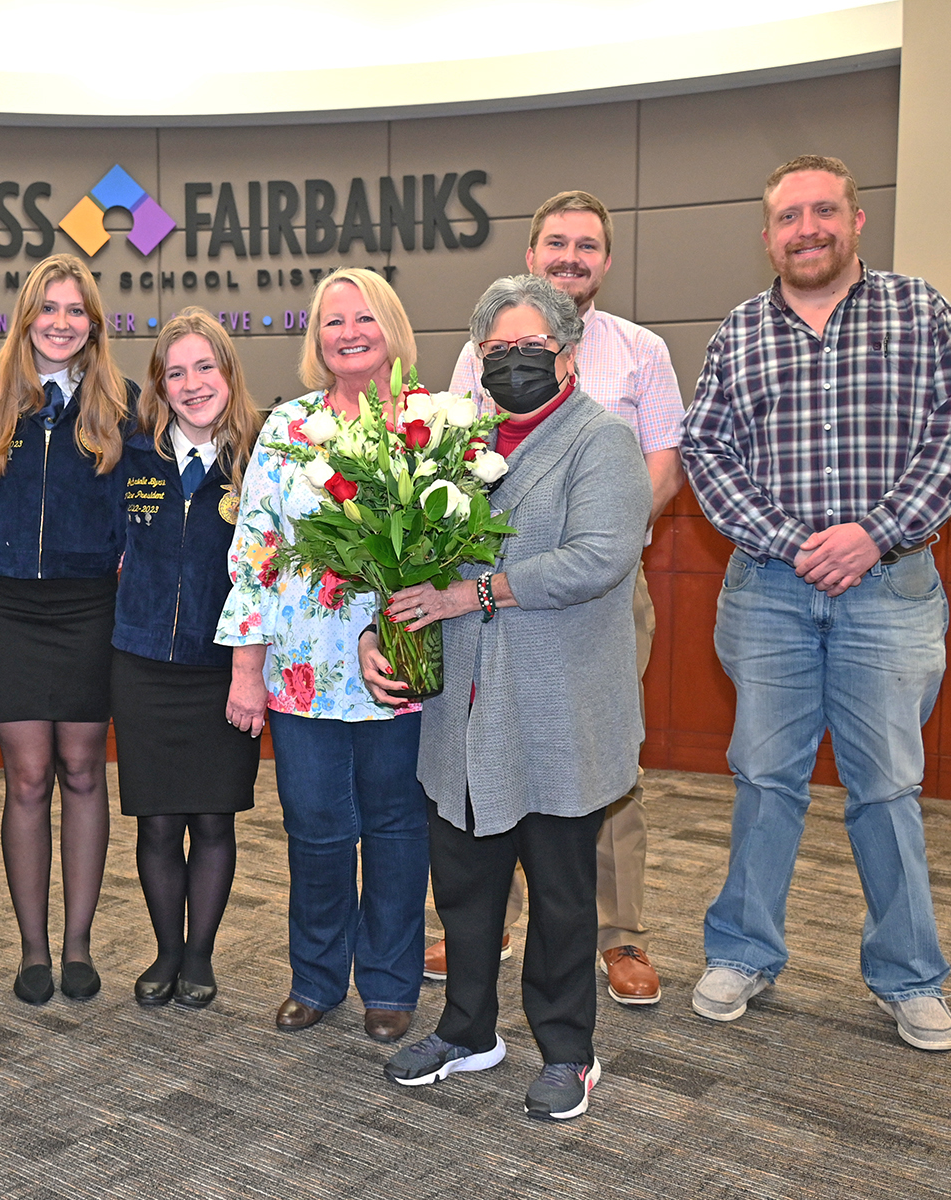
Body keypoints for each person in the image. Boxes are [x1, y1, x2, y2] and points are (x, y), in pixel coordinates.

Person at [682, 155, 951, 1052]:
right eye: (787, 217)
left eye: (823, 211)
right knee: (763, 780)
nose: (805, 228)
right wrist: (789, 541)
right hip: (768, 592)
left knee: (886, 788)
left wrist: (876, 531)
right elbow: (708, 452)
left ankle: (911, 976)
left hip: (890, 588)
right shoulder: (738, 332)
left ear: (855, 220)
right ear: (767, 235)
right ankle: (742, 951)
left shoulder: (921, 312)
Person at [363, 273, 649, 1121]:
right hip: (465, 716)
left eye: (531, 350)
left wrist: (476, 595)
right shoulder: (458, 443)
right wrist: (389, 628)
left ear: (567, 354)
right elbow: (415, 559)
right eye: (497, 352)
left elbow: (600, 555)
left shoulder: (601, 442)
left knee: (561, 896)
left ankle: (569, 1050)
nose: (514, 364)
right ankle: (467, 1029)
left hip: (557, 710)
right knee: (465, 888)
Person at [431, 190, 685, 1006]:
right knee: (491, 749)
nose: (570, 255)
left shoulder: (638, 352)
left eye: (587, 244)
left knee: (589, 759)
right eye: (555, 242)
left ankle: (619, 937)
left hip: (597, 591)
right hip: (480, 605)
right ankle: (491, 928)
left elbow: (660, 466)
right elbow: (446, 472)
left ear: (605, 261)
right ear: (531, 251)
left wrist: (597, 545)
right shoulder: (478, 358)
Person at [215, 267, 429, 1045]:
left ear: (391, 327)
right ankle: (315, 978)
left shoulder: (430, 424)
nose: (348, 333)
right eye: (333, 322)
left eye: (363, 318)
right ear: (316, 338)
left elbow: (446, 554)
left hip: (398, 670)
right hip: (302, 672)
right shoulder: (289, 426)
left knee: (398, 826)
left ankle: (390, 983)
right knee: (315, 826)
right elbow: (255, 550)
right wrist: (246, 666)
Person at [0, 254, 136, 1005]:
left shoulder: (121, 403)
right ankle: (32, 949)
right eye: (49, 309)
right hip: (7, 608)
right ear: (27, 317)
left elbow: (137, 507)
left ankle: (77, 946)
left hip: (89, 606)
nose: (61, 323)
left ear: (92, 325)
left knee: (84, 769)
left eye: (76, 311)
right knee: (28, 776)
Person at [111, 308, 262, 1009]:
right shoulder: (131, 453)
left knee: (212, 820)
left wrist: (250, 670)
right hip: (141, 660)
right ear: (159, 385)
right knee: (157, 821)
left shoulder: (260, 457)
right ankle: (165, 952)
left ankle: (199, 956)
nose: (193, 383)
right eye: (177, 372)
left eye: (206, 367)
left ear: (228, 373)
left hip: (223, 669)